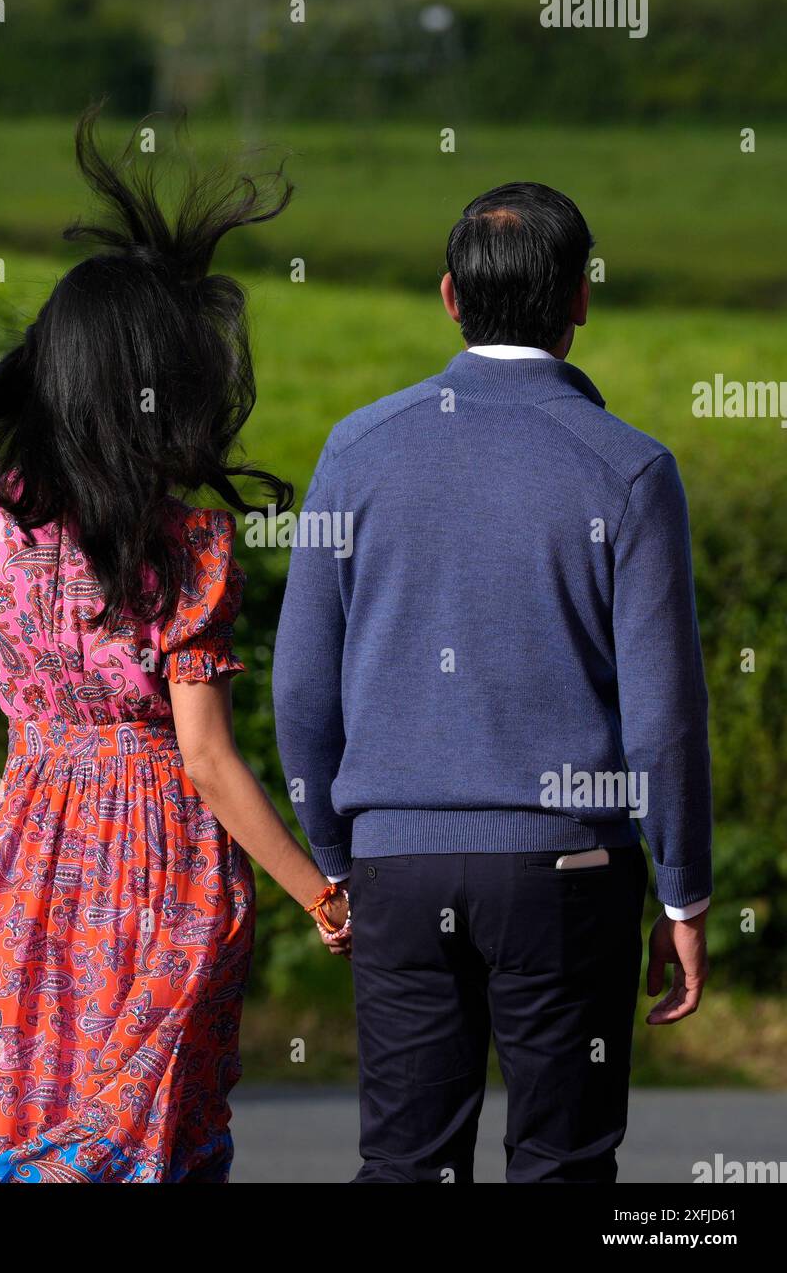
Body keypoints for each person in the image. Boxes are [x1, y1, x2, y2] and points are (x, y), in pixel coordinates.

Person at [0, 109, 350, 1184]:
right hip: (169, 866)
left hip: (31, 847)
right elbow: (208, 759)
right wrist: (321, 894)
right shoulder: (186, 548)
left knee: (21, 1101)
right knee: (152, 1126)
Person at [273, 182, 711, 1184]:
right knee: (563, 1164)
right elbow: (665, 717)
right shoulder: (631, 469)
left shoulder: (355, 450)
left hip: (394, 865)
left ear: (449, 297)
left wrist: (336, 858)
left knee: (404, 1163)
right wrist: (684, 892)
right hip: (569, 873)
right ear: (581, 297)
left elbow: (300, 687)